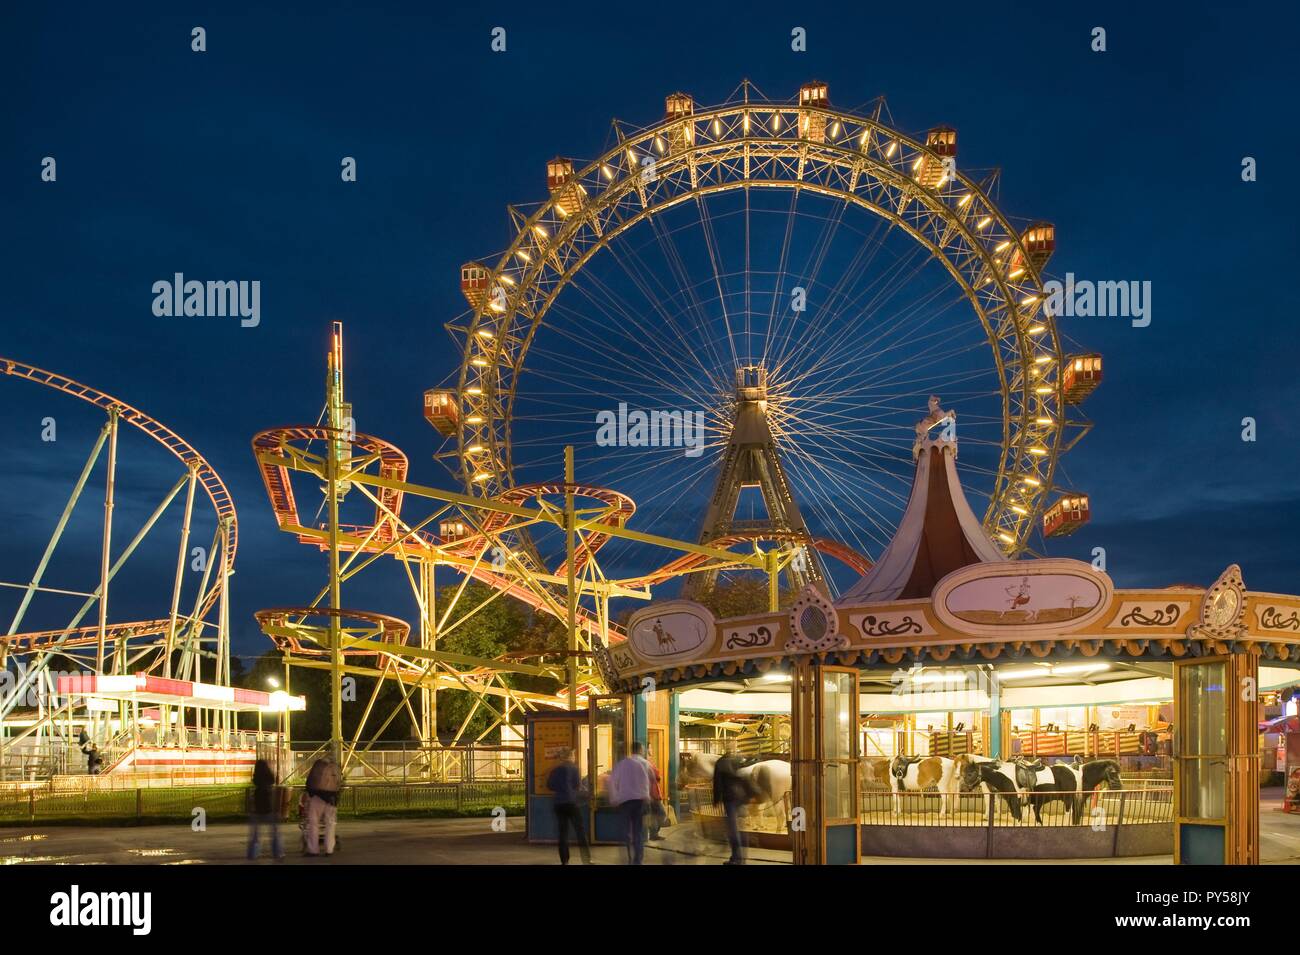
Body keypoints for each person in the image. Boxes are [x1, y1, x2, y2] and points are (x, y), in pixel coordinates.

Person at [607, 741, 652, 864]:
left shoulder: (621, 764)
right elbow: (648, 782)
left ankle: (627, 857)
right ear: (640, 750)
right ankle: (638, 860)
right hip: (640, 802)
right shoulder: (644, 764)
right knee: (638, 832)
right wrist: (647, 797)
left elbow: (612, 782)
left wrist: (614, 799)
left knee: (625, 831)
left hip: (625, 801)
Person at [545, 747, 591, 865]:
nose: (574, 757)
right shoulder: (574, 768)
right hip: (571, 803)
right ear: (570, 756)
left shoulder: (555, 770)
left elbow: (550, 785)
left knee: (563, 833)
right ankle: (586, 859)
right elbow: (577, 785)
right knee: (580, 831)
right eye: (573, 755)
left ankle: (564, 860)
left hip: (559, 804)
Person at [713, 747, 756, 864]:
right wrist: (752, 793)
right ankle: (742, 859)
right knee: (742, 828)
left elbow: (717, 783)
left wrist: (716, 800)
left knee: (733, 829)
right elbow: (745, 777)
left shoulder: (720, 763)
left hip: (730, 798)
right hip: (742, 797)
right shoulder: (738, 761)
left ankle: (736, 859)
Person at [303, 755, 342, 856]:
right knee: (330, 824)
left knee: (313, 824)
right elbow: (339, 783)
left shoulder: (318, 765)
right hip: (331, 799)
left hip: (317, 797)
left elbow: (310, 781)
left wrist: (308, 794)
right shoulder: (335, 767)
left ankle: (313, 849)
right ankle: (329, 849)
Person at [247, 758, 284, 860]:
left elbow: (252, 799)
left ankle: (252, 854)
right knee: (275, 833)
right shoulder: (270, 781)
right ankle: (277, 852)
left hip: (257, 811)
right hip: (269, 810)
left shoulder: (256, 780)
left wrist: (251, 810)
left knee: (254, 835)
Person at [646, 755, 667, 841]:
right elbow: (657, 775)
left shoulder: (647, 763)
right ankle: (653, 834)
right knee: (661, 814)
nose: (651, 750)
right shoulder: (647, 763)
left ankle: (653, 834)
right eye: (649, 748)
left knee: (654, 815)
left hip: (651, 794)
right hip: (653, 794)